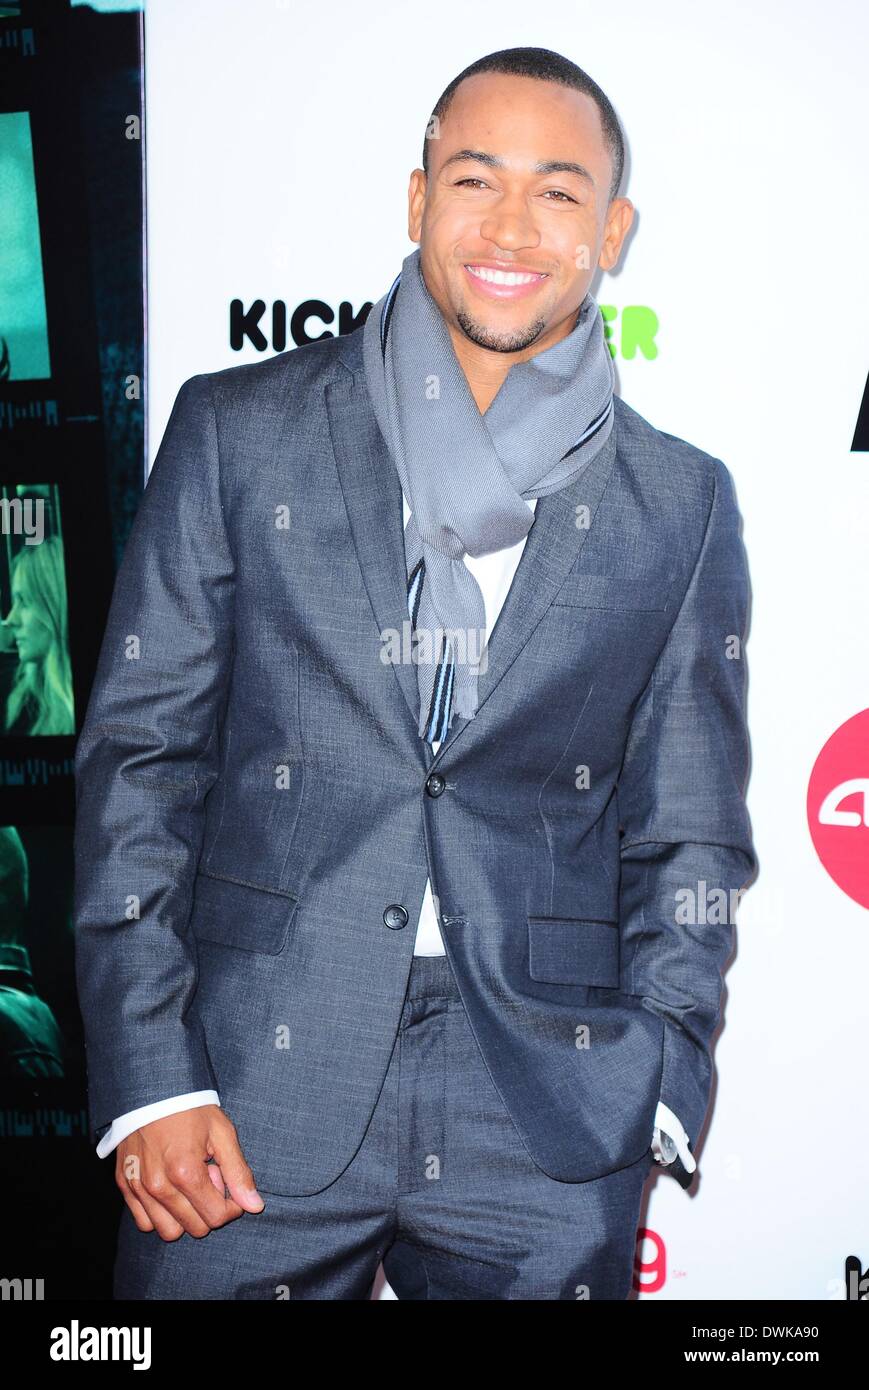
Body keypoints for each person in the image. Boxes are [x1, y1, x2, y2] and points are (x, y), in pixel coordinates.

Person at [73, 46, 756, 1300]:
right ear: (413, 199)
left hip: (542, 1105)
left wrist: (656, 1067)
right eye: (472, 179)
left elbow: (691, 828)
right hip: (243, 1086)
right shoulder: (238, 431)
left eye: (556, 192)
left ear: (611, 229)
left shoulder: (677, 501)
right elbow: (139, 766)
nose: (509, 226)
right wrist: (150, 1070)